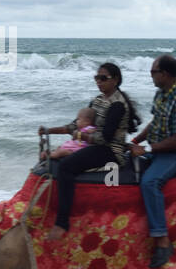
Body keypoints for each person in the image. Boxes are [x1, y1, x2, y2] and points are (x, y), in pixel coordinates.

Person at [38, 62, 141, 241]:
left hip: (110, 151)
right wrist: (49, 130)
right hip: (94, 145)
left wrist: (80, 136)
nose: (99, 81)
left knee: (66, 167)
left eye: (103, 78)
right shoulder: (98, 100)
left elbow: (106, 138)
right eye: (97, 78)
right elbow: (76, 125)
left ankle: (62, 223)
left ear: (116, 80)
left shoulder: (117, 105)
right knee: (57, 157)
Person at [129, 54, 176, 268]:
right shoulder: (161, 93)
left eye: (153, 72)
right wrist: (134, 141)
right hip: (157, 150)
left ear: (165, 74)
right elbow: (155, 122)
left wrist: (148, 148)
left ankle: (162, 241)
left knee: (150, 182)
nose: (151, 76)